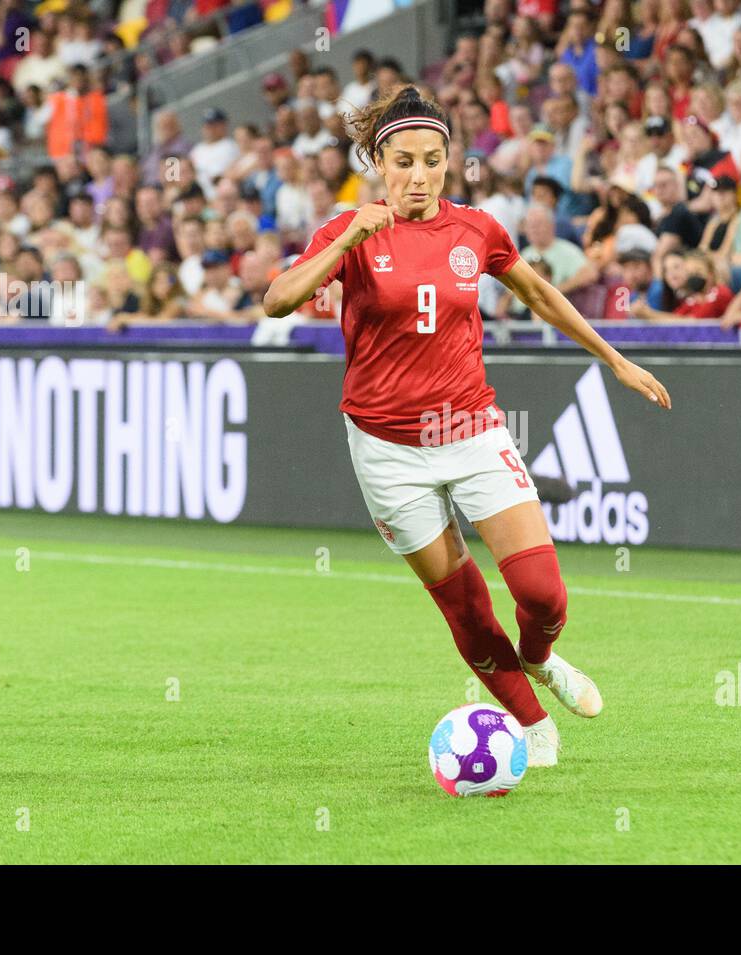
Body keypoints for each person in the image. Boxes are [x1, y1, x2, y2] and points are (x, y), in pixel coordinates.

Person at [263, 86, 671, 768]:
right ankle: (534, 723)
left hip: (472, 430)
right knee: (467, 609)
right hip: (387, 450)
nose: (417, 175)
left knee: (542, 592)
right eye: (402, 161)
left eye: (431, 160)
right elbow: (277, 300)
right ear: (377, 160)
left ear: (450, 161)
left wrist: (615, 359)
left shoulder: (476, 230)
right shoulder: (349, 230)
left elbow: (539, 293)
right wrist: (350, 240)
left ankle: (540, 658)